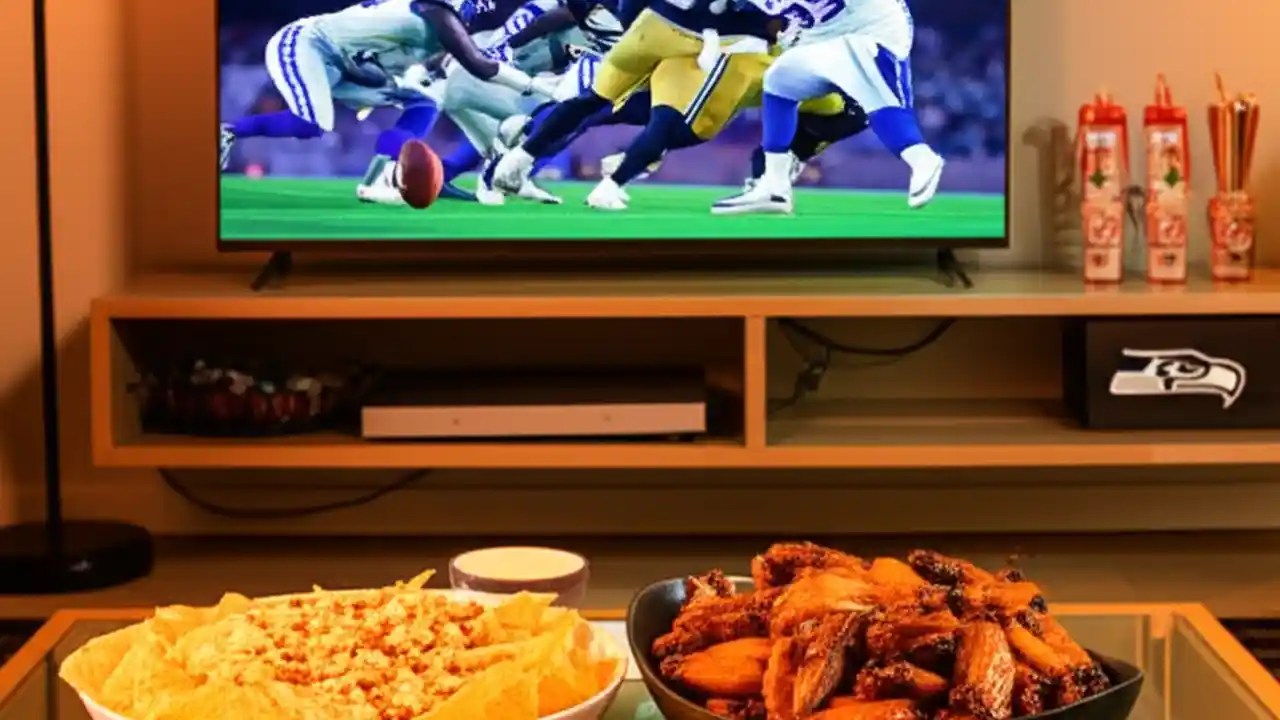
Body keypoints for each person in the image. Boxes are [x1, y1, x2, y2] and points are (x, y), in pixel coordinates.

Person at [219, 0, 557, 174]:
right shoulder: (437, 13)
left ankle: (386, 170)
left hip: (346, 61)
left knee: (423, 102)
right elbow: (480, 66)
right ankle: (228, 131)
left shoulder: (429, 23)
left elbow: (375, 70)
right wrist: (544, 91)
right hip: (307, 44)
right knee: (313, 125)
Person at [712, 0, 945, 215]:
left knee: (881, 102)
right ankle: (774, 185)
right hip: (826, 33)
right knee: (780, 79)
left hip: (868, 29)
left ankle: (922, 159)